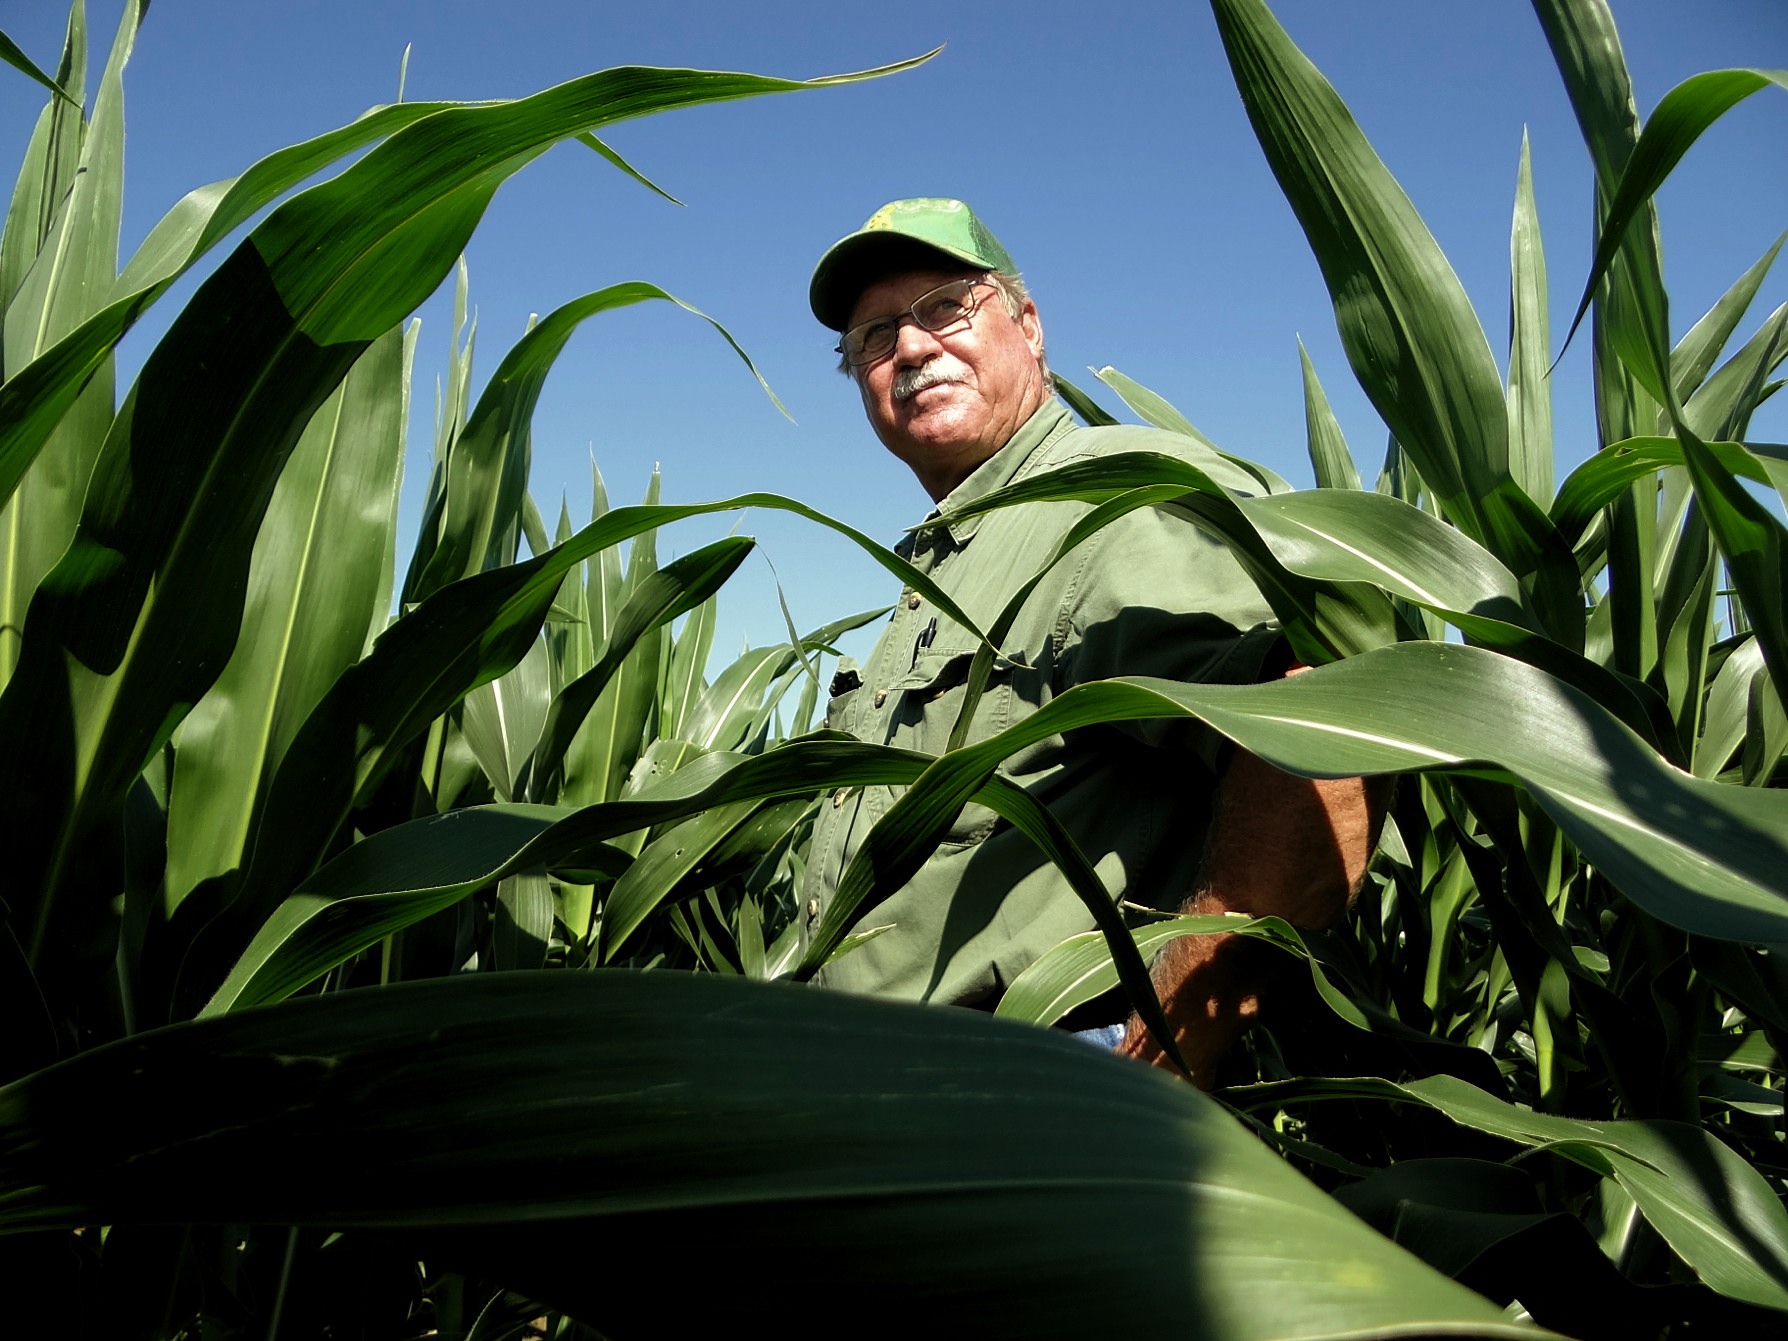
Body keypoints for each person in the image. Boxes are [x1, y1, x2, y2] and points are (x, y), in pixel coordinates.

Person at [799, 197, 1380, 1086]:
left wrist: (1151, 1070)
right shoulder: (952, 557)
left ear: (1028, 328)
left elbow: (1318, 749)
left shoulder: (1112, 503)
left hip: (1022, 1092)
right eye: (874, 337)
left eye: (944, 307)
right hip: (876, 1093)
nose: (909, 349)